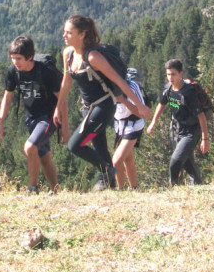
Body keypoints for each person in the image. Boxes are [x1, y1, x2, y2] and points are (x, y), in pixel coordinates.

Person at [52, 15, 151, 191]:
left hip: (104, 107)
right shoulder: (68, 54)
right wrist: (58, 107)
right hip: (87, 108)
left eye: (69, 32)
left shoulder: (93, 57)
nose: (64, 36)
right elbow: (66, 82)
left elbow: (120, 82)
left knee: (75, 145)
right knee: (100, 149)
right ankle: (110, 188)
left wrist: (140, 106)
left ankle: (106, 170)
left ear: (82, 34)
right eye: (64, 32)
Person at [0, 36, 61, 194]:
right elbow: (7, 97)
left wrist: (64, 126)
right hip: (31, 118)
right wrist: (0, 123)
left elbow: (61, 98)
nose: (15, 62)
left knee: (30, 148)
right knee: (43, 155)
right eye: (12, 58)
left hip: (49, 117)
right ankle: (56, 190)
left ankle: (32, 188)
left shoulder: (45, 72)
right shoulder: (13, 72)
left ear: (30, 57)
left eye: (18, 58)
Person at [146, 59, 209, 186]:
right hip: (177, 129)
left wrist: (205, 139)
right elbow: (161, 104)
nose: (170, 77)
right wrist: (153, 123)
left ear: (181, 74)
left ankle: (174, 188)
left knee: (175, 161)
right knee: (187, 161)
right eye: (168, 74)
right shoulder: (168, 88)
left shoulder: (188, 93)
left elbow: (201, 117)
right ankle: (198, 185)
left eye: (173, 74)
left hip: (192, 130)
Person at [112, 68, 147, 190]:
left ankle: (120, 189)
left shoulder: (132, 87)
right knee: (128, 159)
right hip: (120, 126)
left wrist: (122, 100)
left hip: (134, 125)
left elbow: (141, 113)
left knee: (116, 160)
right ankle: (134, 188)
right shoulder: (109, 86)